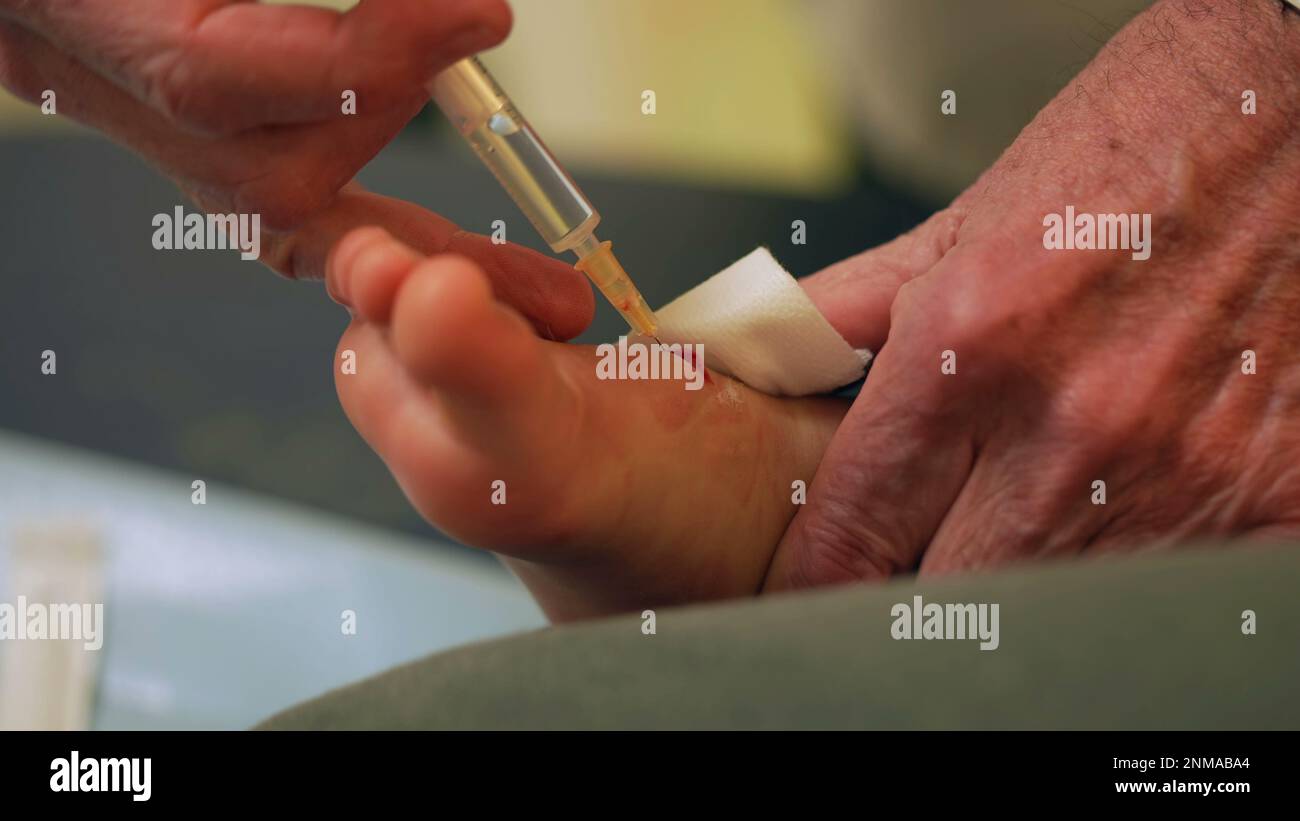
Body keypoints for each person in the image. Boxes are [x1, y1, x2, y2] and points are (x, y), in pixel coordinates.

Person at [4, 0, 1297, 620]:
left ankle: (806, 472)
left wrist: (1266, 77)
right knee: (1000, 387)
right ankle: (824, 450)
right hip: (979, 111)